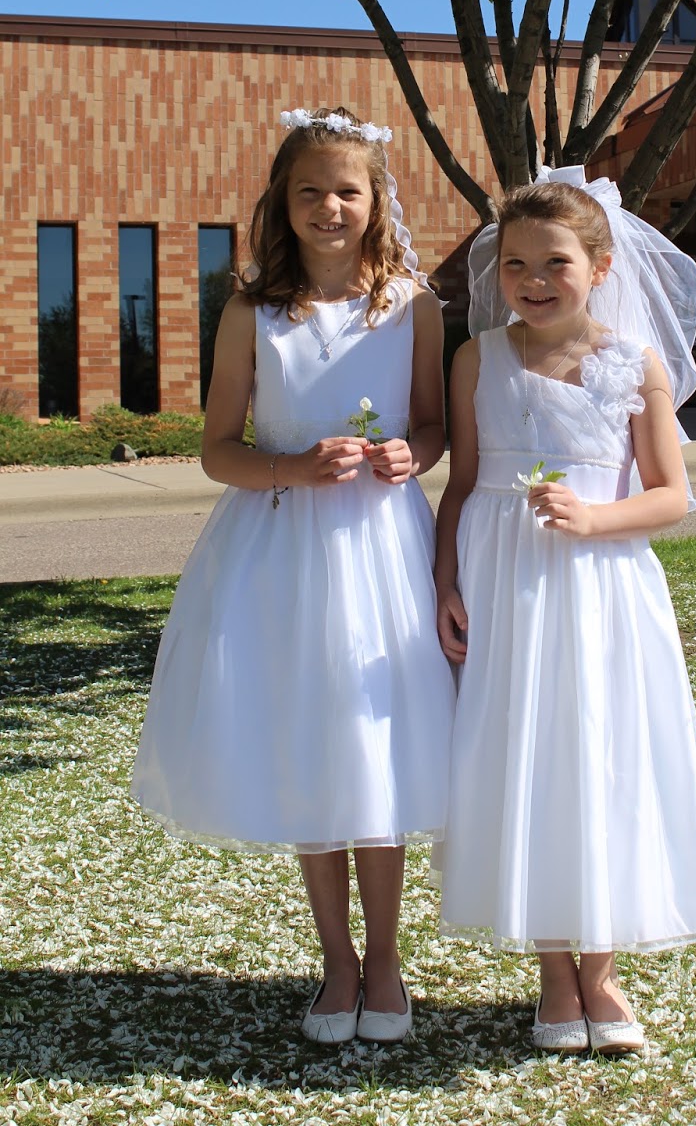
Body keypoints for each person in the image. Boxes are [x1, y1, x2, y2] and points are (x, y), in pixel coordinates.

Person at [132, 107, 454, 1047]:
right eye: (309, 190)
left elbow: (431, 425)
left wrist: (409, 454)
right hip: (279, 547)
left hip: (382, 550)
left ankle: (387, 959)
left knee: (374, 744)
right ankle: (336, 963)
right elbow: (216, 452)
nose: (328, 206)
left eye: (347, 190)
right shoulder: (250, 312)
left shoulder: (413, 304)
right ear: (282, 199)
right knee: (312, 743)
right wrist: (294, 469)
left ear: (376, 199)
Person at [434, 167, 696, 1057]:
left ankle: (599, 972)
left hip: (600, 588)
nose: (532, 279)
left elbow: (673, 496)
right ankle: (552, 977)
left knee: (596, 763)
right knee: (526, 763)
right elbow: (461, 484)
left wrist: (597, 517)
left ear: (598, 265)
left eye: (554, 261)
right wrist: (446, 582)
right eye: (515, 262)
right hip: (503, 588)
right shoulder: (476, 356)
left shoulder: (632, 364)